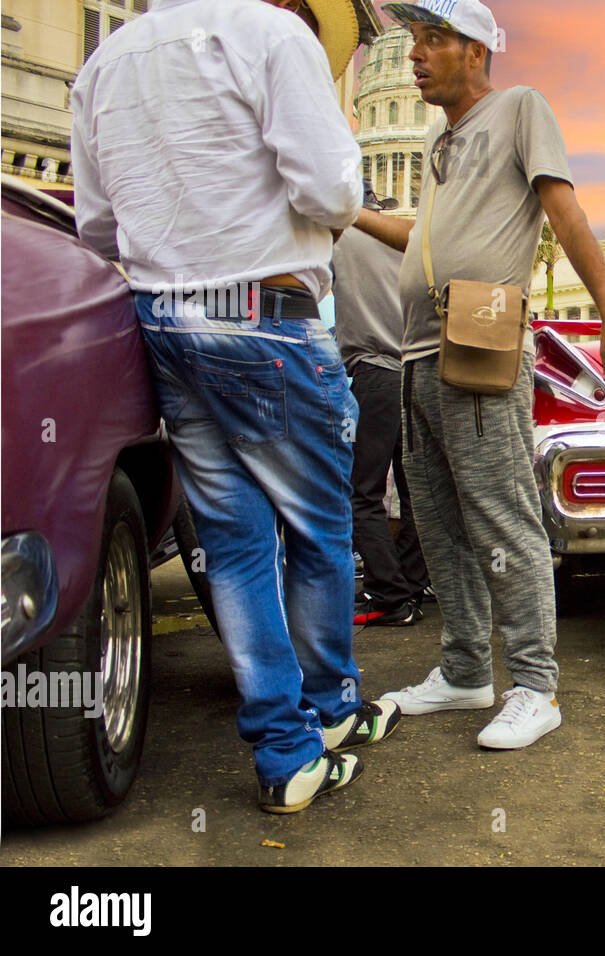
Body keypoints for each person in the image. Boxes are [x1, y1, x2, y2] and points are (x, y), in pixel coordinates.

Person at [71, 0, 399, 813]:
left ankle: (285, 752)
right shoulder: (272, 35)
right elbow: (330, 191)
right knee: (319, 529)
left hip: (163, 317)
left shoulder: (104, 62)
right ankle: (326, 716)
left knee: (235, 544)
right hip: (267, 314)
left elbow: (99, 228)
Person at [355, 0, 605, 749]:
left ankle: (536, 685)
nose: (417, 54)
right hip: (415, 350)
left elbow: (565, 213)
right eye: (414, 40)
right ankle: (462, 671)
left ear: (476, 51)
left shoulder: (520, 108)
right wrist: (346, 214)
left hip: (481, 342)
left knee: (501, 512)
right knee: (440, 522)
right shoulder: (439, 141)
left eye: (434, 40)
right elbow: (419, 236)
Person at [333, 180, 432, 627]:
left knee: (360, 493)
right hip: (414, 372)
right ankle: (412, 584)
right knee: (416, 494)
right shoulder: (406, 236)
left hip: (374, 373)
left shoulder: (339, 235)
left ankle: (389, 595)